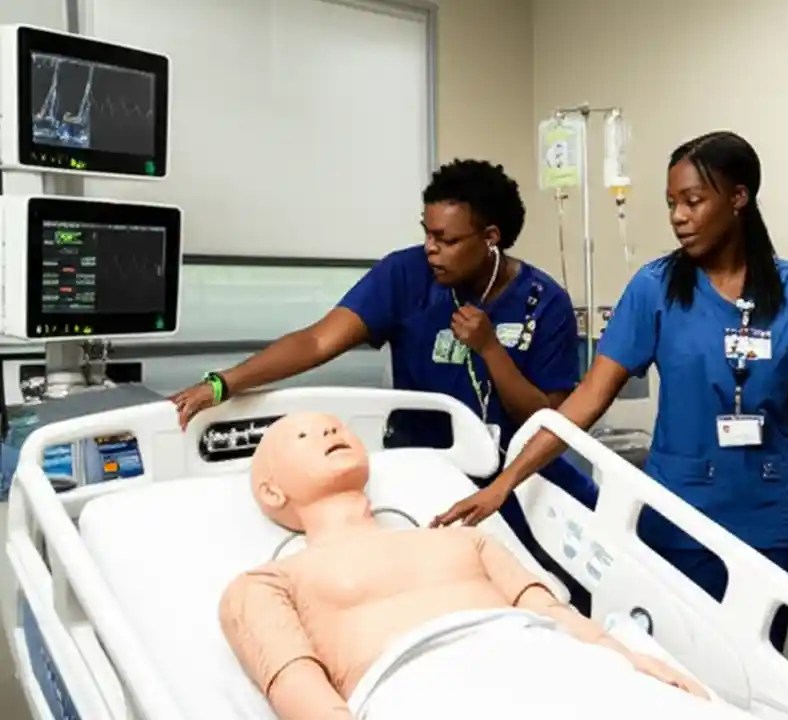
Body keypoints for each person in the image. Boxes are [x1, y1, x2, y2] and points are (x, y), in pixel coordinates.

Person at [433, 131, 788, 652]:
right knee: (677, 668)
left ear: (738, 198)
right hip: (677, 513)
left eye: (693, 201)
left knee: (757, 671)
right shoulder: (656, 288)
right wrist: (507, 481)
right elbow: (586, 399)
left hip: (770, 517)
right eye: (672, 203)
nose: (678, 216)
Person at [169, 159, 596, 605]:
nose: (431, 248)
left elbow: (549, 421)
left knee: (567, 591)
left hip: (521, 479)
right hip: (430, 472)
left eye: (447, 240)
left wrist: (491, 350)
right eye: (427, 233)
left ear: (490, 239)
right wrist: (224, 383)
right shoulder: (406, 276)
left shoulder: (543, 302)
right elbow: (317, 341)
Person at [220, 412, 719, 720]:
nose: (329, 428)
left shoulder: (465, 542)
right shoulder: (265, 584)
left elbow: (554, 612)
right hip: (425, 689)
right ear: (270, 490)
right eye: (304, 434)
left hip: (553, 660)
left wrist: (631, 661)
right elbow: (299, 689)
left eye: (334, 423)